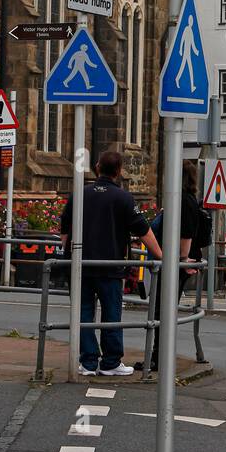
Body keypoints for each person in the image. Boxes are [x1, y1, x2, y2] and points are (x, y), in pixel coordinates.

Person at [58, 151, 161, 377]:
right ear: (118, 171)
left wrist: (67, 254)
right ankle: (111, 362)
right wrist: (161, 255)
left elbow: (65, 228)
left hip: (80, 266)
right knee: (111, 313)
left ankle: (87, 362)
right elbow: (143, 230)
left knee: (83, 313)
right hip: (110, 266)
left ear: (97, 167)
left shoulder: (80, 194)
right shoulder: (123, 198)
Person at [144, 165, 211, 372]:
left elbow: (186, 234)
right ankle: (158, 356)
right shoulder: (186, 199)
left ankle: (159, 358)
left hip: (174, 263)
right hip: (174, 261)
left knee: (162, 310)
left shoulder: (183, 201)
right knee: (161, 309)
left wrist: (182, 258)